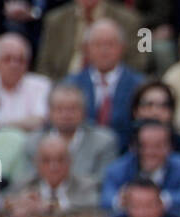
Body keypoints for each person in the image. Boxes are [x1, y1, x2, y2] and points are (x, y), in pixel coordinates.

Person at [66, 18, 146, 149]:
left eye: (110, 44)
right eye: (97, 45)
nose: (104, 51)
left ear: (122, 48)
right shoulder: (71, 85)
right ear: (86, 49)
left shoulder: (139, 86)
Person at [100, 119, 180, 210]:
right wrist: (119, 201)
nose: (150, 152)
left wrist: (152, 199)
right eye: (144, 146)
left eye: (158, 146)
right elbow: (106, 199)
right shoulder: (117, 169)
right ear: (133, 147)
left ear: (170, 147)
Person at [26, 83, 119, 182]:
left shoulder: (104, 141)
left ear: (84, 111)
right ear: (49, 112)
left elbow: (103, 180)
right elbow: (28, 180)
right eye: (59, 109)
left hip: (87, 196)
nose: (66, 115)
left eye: (72, 109)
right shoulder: (34, 142)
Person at [33, 0, 146, 80]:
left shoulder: (129, 19)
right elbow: (44, 67)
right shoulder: (55, 20)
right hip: (63, 91)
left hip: (112, 90)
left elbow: (138, 64)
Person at [5, 132, 100, 216]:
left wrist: (51, 207)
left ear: (70, 161)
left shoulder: (86, 186)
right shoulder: (24, 184)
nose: (54, 167)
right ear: (36, 163)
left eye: (60, 160)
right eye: (46, 160)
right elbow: (0, 201)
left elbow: (92, 204)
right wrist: (16, 203)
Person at [131, 81, 180, 156]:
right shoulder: (123, 141)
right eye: (149, 105)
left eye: (164, 106)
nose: (155, 112)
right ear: (135, 111)